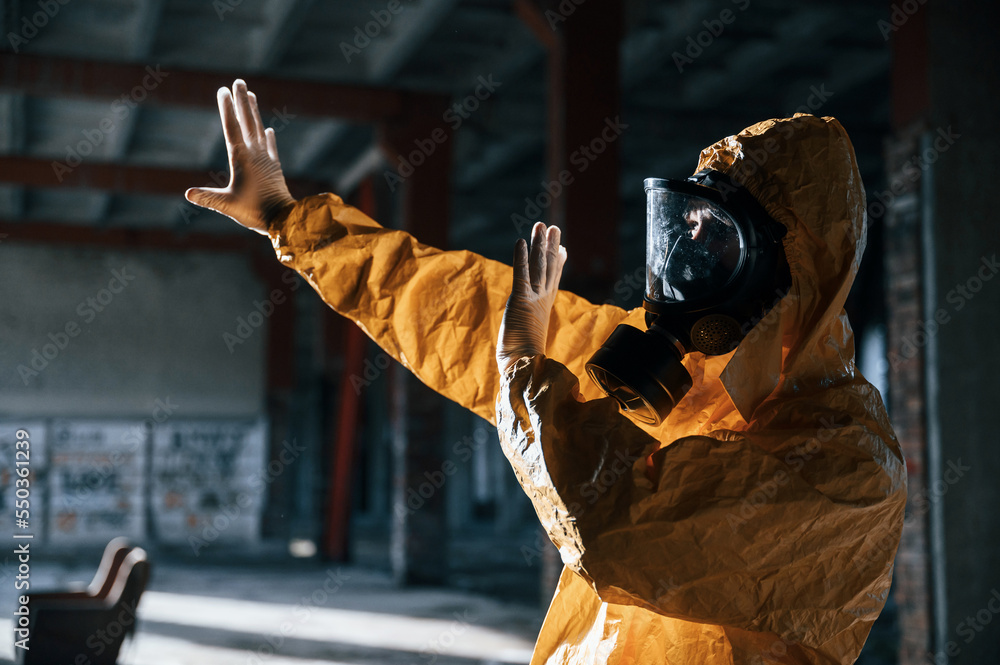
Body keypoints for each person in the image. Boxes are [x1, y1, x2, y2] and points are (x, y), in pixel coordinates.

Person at [187, 80, 906, 664]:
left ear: (796, 271)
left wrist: (524, 368)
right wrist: (294, 221)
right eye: (686, 224)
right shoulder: (697, 382)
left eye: (719, 237)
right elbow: (456, 311)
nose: (690, 255)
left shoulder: (846, 470)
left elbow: (623, 522)